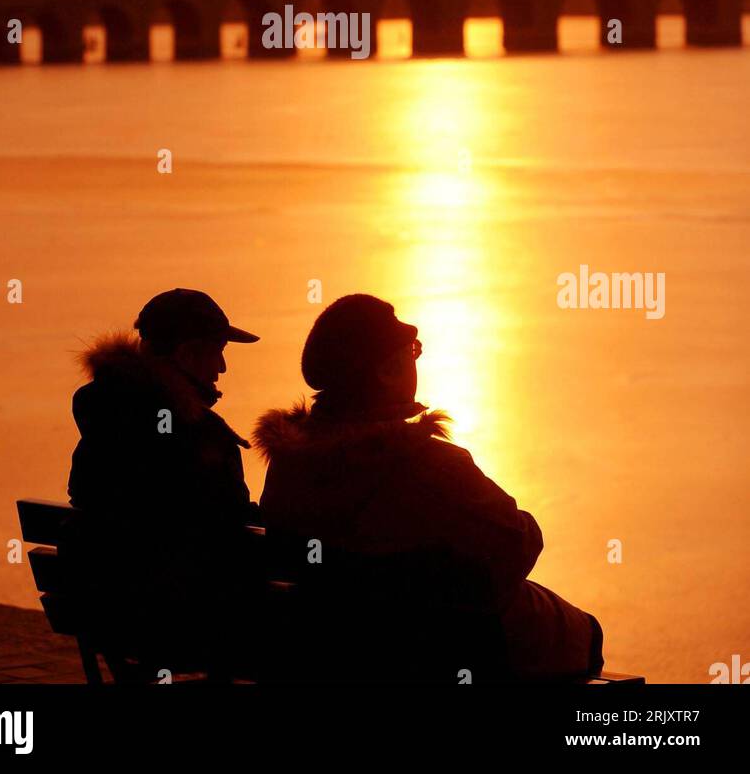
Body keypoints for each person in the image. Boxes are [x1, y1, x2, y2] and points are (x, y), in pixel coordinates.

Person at [253, 293, 604, 682]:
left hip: (331, 651)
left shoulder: (288, 465)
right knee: (587, 634)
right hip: (446, 649)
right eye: (412, 350)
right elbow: (515, 544)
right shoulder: (432, 467)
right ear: (386, 371)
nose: (416, 360)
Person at [64, 288, 260, 643]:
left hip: (110, 618)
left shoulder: (103, 419)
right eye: (218, 353)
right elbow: (230, 526)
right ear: (186, 355)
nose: (222, 367)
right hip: (189, 625)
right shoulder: (199, 438)